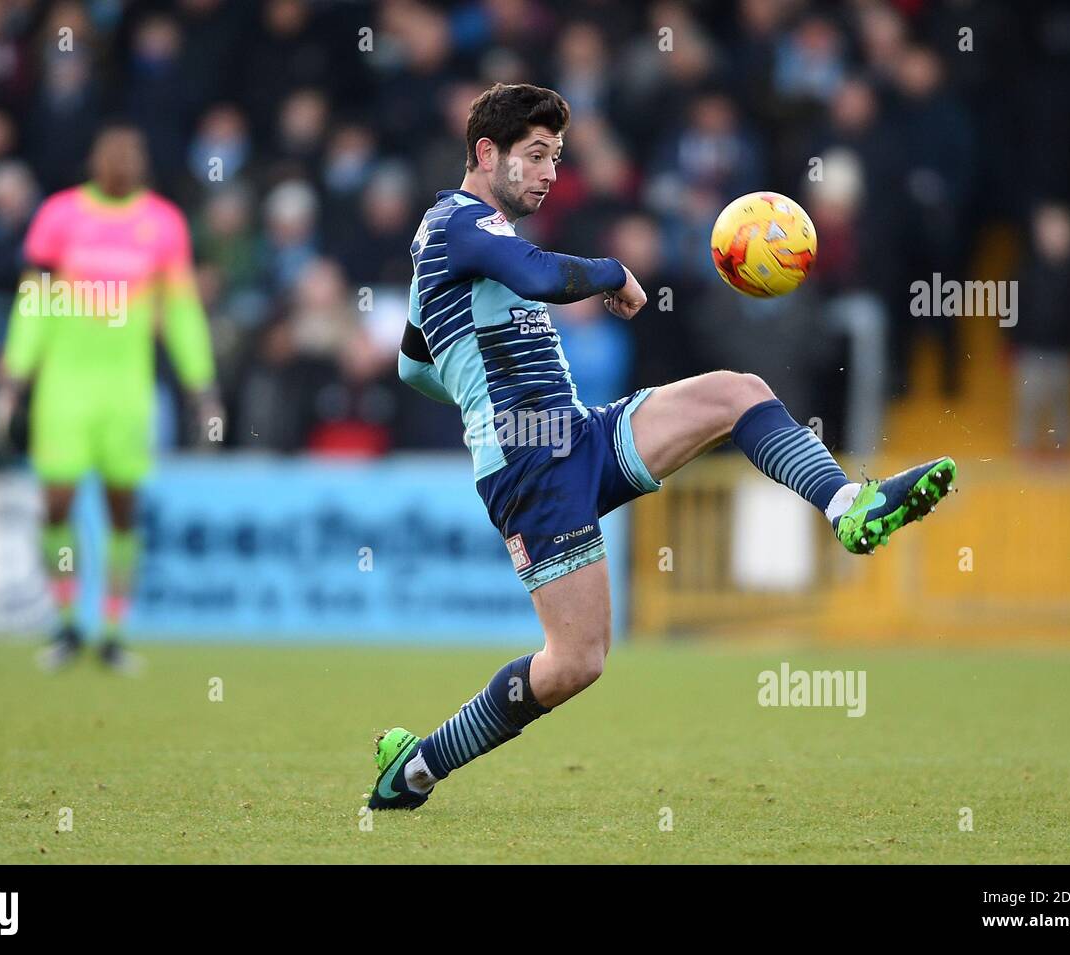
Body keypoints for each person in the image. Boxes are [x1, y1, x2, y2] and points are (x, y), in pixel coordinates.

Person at [370, 84, 956, 809]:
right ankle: (418, 767)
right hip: (529, 465)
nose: (552, 172)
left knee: (738, 391)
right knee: (577, 661)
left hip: (576, 433)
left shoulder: (463, 245)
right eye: (536, 155)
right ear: (486, 153)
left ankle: (848, 505)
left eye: (557, 156)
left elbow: (410, 364)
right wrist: (613, 273)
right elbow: (538, 276)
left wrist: (467, 383)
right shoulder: (456, 222)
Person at [0, 122, 221, 672]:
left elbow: (183, 315)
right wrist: (15, 378)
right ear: (96, 161)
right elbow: (33, 303)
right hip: (65, 387)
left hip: (126, 390)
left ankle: (112, 633)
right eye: (112, 154)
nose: (121, 164)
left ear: (140, 164)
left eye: (131, 156)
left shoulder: (162, 223)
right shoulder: (60, 216)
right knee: (57, 504)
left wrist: (202, 387)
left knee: (122, 512)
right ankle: (68, 623)